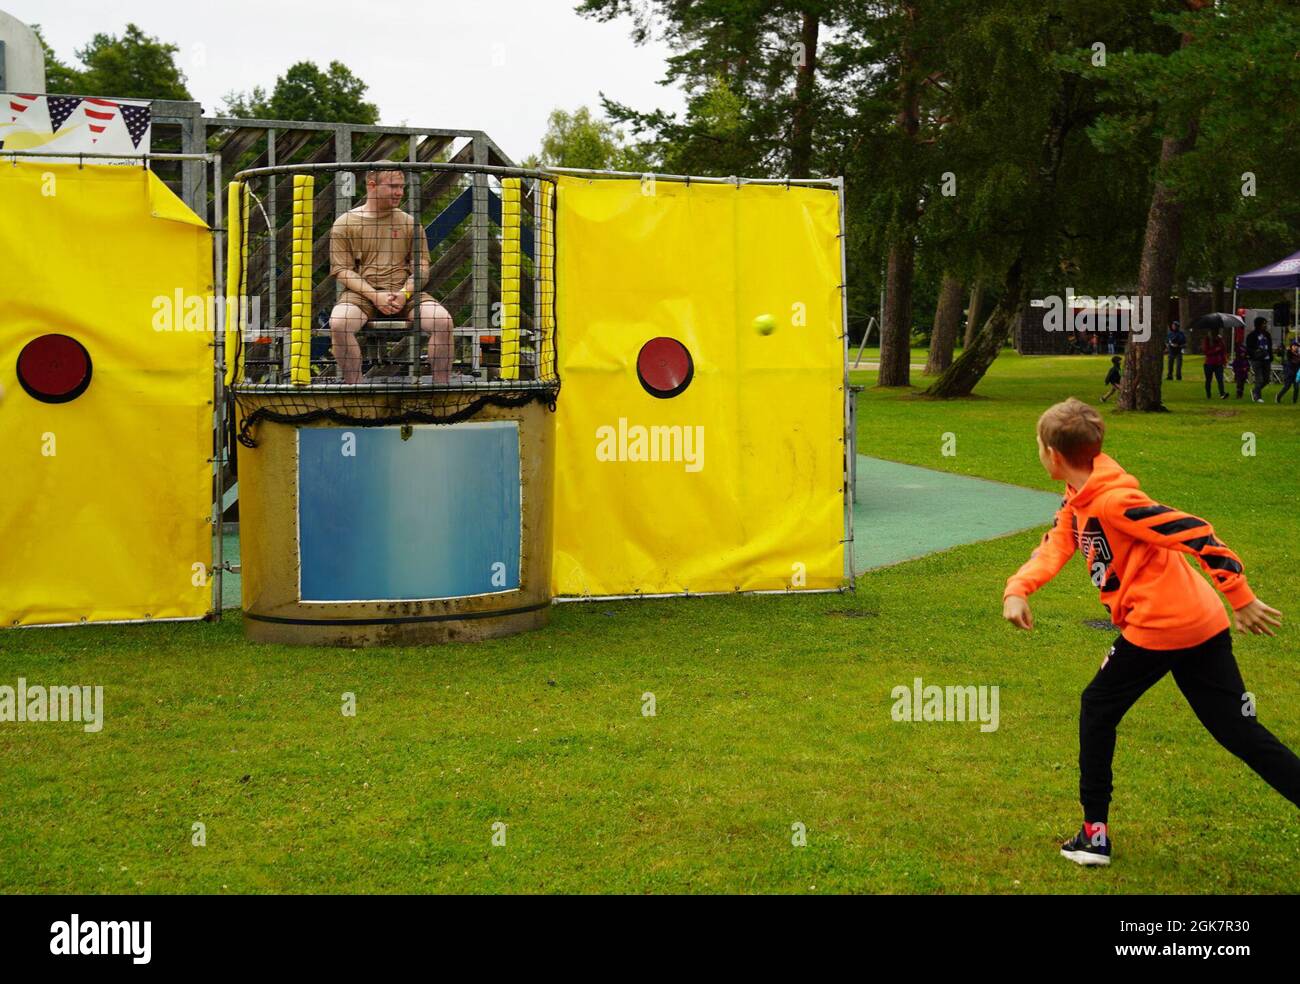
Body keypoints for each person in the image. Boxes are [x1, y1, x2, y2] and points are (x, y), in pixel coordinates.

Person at [1002, 398, 1297, 866]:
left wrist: (1240, 596)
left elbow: (1196, 532)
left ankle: (1093, 835)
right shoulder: (1077, 498)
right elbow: (1058, 542)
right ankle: (1094, 831)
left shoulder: (1115, 501)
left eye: (1038, 445)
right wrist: (1018, 589)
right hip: (1199, 622)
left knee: (1097, 707)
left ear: (1052, 456)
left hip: (1162, 627)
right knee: (1238, 731)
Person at [328, 166, 455, 385]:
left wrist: (405, 293)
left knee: (442, 321)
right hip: (362, 296)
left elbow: (422, 267)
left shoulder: (409, 223)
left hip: (406, 293)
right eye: (393, 186)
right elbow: (342, 270)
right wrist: (374, 296)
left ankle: (440, 390)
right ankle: (355, 390)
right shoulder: (345, 223)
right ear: (371, 185)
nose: (399, 192)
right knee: (339, 323)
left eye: (401, 187)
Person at [1246, 317, 1273, 403]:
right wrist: (1255, 352)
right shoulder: (1252, 335)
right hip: (1256, 359)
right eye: (1263, 323)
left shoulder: (1267, 335)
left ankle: (1255, 391)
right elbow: (1248, 348)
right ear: (1258, 325)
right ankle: (1257, 397)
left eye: (1266, 323)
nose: (1265, 325)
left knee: (1266, 380)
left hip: (1266, 359)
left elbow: (1270, 347)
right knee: (1259, 379)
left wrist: (1271, 355)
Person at [1202, 326, 1228, 399]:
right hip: (1209, 363)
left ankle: (1222, 393)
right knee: (1208, 380)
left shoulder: (1220, 339)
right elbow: (1206, 351)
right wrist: (1215, 350)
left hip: (1218, 363)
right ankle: (1208, 395)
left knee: (1220, 379)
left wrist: (1224, 360)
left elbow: (1223, 350)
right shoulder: (1207, 339)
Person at [1274, 336, 1300, 404]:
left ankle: (1294, 401)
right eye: (1295, 346)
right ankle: (1278, 397)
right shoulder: (1288, 353)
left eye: (1297, 346)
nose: (1296, 347)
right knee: (1287, 387)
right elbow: (1287, 360)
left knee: (1296, 387)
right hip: (1289, 373)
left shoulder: (1298, 355)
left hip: (1296, 373)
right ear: (1292, 346)